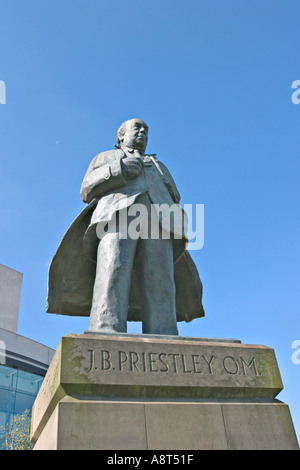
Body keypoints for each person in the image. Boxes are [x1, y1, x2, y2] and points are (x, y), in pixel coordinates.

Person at [46, 119, 204, 334]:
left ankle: (163, 330)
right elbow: (86, 189)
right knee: (114, 267)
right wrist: (119, 169)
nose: (143, 132)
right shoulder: (105, 157)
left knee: (161, 276)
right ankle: (106, 327)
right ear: (121, 136)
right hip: (117, 216)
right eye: (137, 127)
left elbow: (175, 195)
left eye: (146, 130)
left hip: (159, 222)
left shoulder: (158, 164)